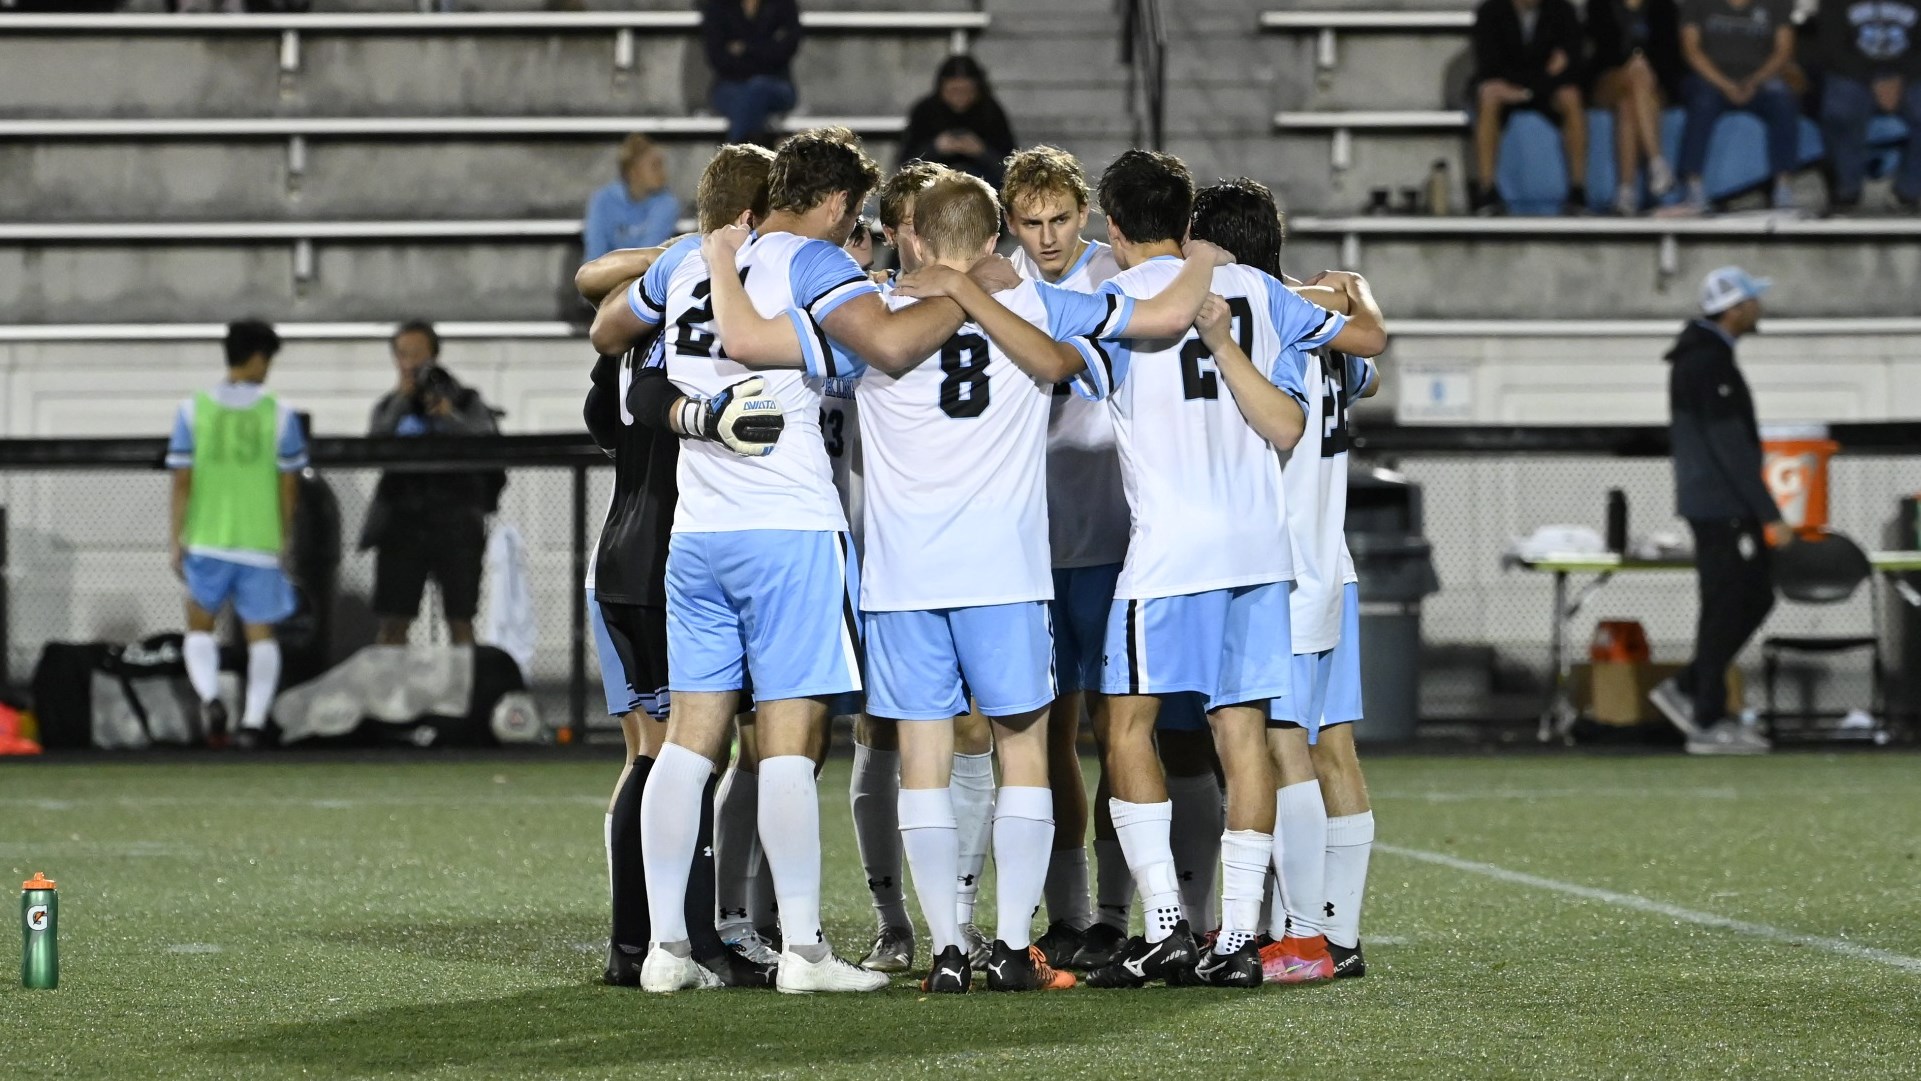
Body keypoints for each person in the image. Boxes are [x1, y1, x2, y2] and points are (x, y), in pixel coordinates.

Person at [588, 126, 996, 994]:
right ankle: (804, 949)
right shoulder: (809, 262)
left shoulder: (690, 261)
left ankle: (667, 950)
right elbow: (886, 345)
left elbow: (606, 324)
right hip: (786, 529)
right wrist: (967, 292)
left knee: (689, 745)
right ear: (839, 204)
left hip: (696, 534)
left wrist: (687, 262)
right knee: (787, 742)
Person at [1043, 150, 1385, 989]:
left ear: (1112, 228)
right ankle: (1238, 935)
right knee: (1246, 737)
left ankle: (1164, 921)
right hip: (1260, 551)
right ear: (1184, 219)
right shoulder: (1267, 294)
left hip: (1168, 551)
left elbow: (1058, 373)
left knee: (1122, 725)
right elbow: (1357, 345)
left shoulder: (1116, 303)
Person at [577, 143, 785, 990]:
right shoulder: (724, 306)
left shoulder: (647, 305)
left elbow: (603, 411)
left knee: (650, 755)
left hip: (620, 549)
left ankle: (637, 944)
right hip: (673, 551)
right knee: (689, 757)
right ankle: (685, 940)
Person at [1182, 178, 1386, 983]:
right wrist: (1352, 285)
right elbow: (1367, 350)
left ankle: (1303, 936)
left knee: (1280, 747)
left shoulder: (1268, 326)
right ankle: (1339, 931)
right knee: (1333, 746)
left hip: (1284, 567)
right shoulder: (1328, 330)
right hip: (1332, 562)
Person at [998, 144, 1126, 971]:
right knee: (1045, 735)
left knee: (1123, 731)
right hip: (1028, 542)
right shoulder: (998, 281)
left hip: (1116, 534)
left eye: (1057, 219)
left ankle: (1120, 910)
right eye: (1029, 221)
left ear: (1083, 214)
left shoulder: (1121, 274)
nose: (1045, 237)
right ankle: (1070, 911)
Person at [841, 159, 946, 977]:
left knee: (981, 729)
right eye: (900, 222)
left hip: (970, 550)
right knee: (874, 732)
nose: (914, 237)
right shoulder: (854, 307)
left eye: (927, 219)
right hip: (874, 552)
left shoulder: (991, 300)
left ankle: (967, 916)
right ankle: (890, 916)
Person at [1648, 267, 1786, 755]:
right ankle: (1704, 715)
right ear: (1733, 308)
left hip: (1715, 501)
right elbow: (1729, 445)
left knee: (1744, 597)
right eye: (1751, 301)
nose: (1757, 309)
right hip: (1720, 503)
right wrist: (1768, 511)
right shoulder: (1709, 363)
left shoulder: (1701, 358)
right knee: (1734, 599)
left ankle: (1689, 690)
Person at [166, 319, 307, 751]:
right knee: (261, 634)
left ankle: (211, 697)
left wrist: (177, 537)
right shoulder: (279, 414)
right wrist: (283, 534)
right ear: (260, 357)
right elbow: (288, 484)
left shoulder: (193, 410)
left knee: (199, 626)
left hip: (207, 536)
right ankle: (252, 722)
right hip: (259, 539)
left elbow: (182, 480)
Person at [363, 321, 500, 648]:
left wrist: (449, 417)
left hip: (456, 522)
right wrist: (401, 399)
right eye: (403, 355)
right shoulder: (389, 407)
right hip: (402, 523)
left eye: (418, 354)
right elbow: (373, 446)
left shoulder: (466, 401)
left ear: (435, 356)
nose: (411, 363)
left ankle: (461, 695)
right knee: (393, 622)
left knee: (461, 621)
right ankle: (392, 696)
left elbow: (488, 445)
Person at [1676, 0, 1800, 213]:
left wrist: (1754, 81)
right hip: (1711, 78)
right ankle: (1693, 187)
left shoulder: (1778, 3)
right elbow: (1691, 50)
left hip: (1760, 78)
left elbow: (1783, 50)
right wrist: (1725, 85)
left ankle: (1783, 187)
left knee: (1783, 99)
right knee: (1702, 101)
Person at [1470, 0, 1591, 214]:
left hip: (1542, 90)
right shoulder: (1490, 12)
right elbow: (1490, 67)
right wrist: (1544, 75)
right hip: (1515, 88)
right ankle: (1486, 191)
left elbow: (1573, 67)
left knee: (1571, 96)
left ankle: (1577, 190)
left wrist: (1529, 89)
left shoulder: (1562, 10)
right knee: (1489, 95)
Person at [1817, 0, 1921, 214]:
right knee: (1839, 112)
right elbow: (1830, 47)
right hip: (1852, 73)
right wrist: (1873, 80)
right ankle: (1847, 192)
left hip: (1909, 74)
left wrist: (1900, 77)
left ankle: (1908, 192)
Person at [1587, 0, 1685, 214]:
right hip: (1610, 79)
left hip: (1652, 84)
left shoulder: (1664, 7)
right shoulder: (1600, 6)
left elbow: (1670, 56)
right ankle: (1657, 164)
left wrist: (1645, 68)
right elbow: (1600, 53)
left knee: (1628, 104)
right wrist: (1632, 63)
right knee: (1636, 73)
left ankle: (1626, 193)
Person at [901, 55, 1018, 189]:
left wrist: (981, 151)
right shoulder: (925, 111)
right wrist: (936, 148)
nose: (960, 97)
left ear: (977, 90)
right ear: (942, 89)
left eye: (967, 91)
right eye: (953, 90)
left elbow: (1010, 170)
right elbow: (905, 166)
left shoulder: (990, 113)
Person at [701, 0, 802, 145]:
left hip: (777, 85)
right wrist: (766, 49)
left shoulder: (783, 4)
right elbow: (718, 58)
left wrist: (746, 48)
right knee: (749, 96)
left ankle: (738, 158)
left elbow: (786, 49)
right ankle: (750, 156)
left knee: (756, 90)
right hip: (728, 87)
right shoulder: (718, 6)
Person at [583, 134, 682, 261]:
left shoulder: (668, 204)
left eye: (661, 165)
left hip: (644, 277)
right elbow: (594, 255)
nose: (663, 173)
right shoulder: (602, 201)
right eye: (655, 166)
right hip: (605, 276)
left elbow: (647, 257)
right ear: (633, 171)